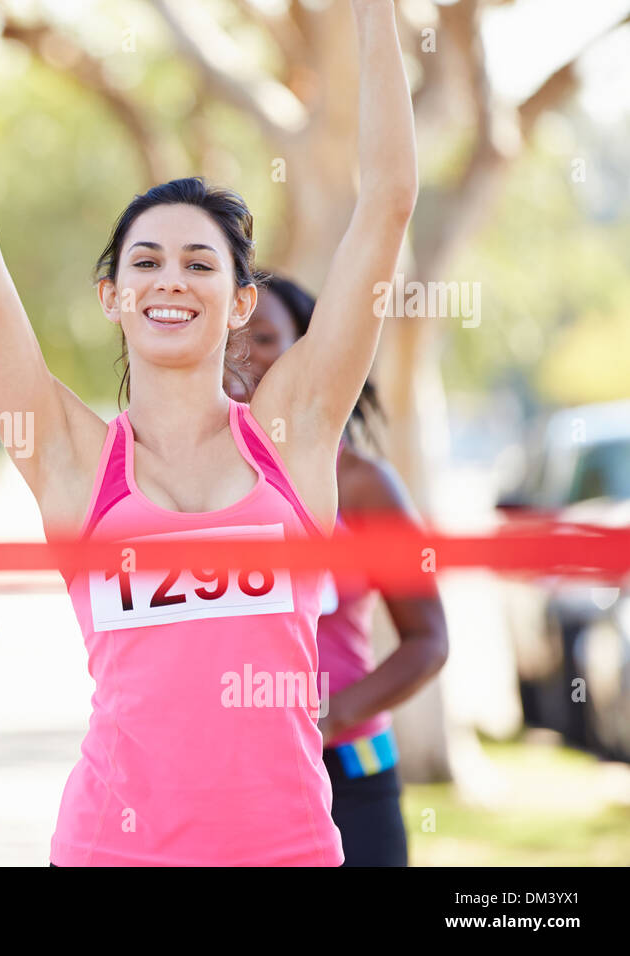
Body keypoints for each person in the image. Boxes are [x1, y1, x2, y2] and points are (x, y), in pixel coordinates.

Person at [0, 0, 418, 864]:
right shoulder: (71, 459)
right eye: (144, 261)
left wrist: (374, 14)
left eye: (198, 263)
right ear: (112, 297)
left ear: (241, 303)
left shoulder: (292, 438)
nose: (168, 281)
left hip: (286, 849)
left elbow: (389, 205)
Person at [228, 274, 449, 866]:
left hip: (350, 767)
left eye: (266, 336)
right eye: (227, 334)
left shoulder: (363, 485)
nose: (240, 354)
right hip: (226, 776)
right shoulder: (183, 486)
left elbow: (428, 639)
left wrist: (330, 721)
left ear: (309, 351)